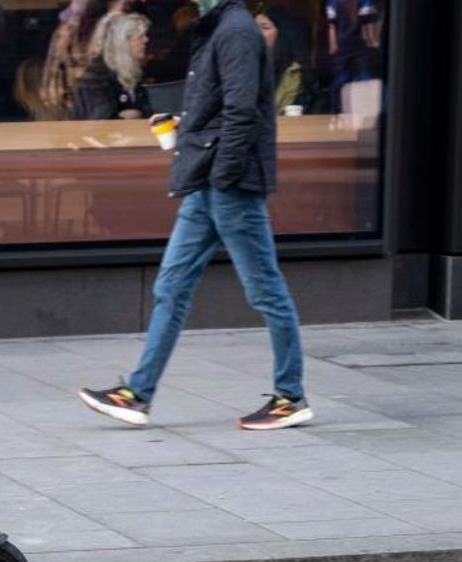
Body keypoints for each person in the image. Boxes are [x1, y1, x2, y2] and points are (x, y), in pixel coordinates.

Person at [77, 0, 314, 431]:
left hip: (229, 185)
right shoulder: (218, 27)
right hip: (208, 182)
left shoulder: (236, 31)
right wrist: (188, 123)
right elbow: (224, 107)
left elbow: (243, 112)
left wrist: (222, 175)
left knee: (265, 289)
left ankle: (291, 395)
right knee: (171, 285)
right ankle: (137, 393)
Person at [39, 0, 129, 118]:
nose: (122, 10)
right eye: (120, 4)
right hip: (90, 102)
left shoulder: (70, 27)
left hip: (72, 104)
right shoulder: (101, 28)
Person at [70, 13, 153, 120]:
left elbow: (146, 109)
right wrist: (126, 117)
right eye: (140, 36)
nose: (146, 40)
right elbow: (102, 119)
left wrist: (136, 113)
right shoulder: (98, 75)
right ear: (124, 41)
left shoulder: (131, 70)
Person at [255, 11, 308, 112]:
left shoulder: (294, 71)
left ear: (282, 34)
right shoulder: (242, 63)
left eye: (264, 27)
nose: (255, 32)